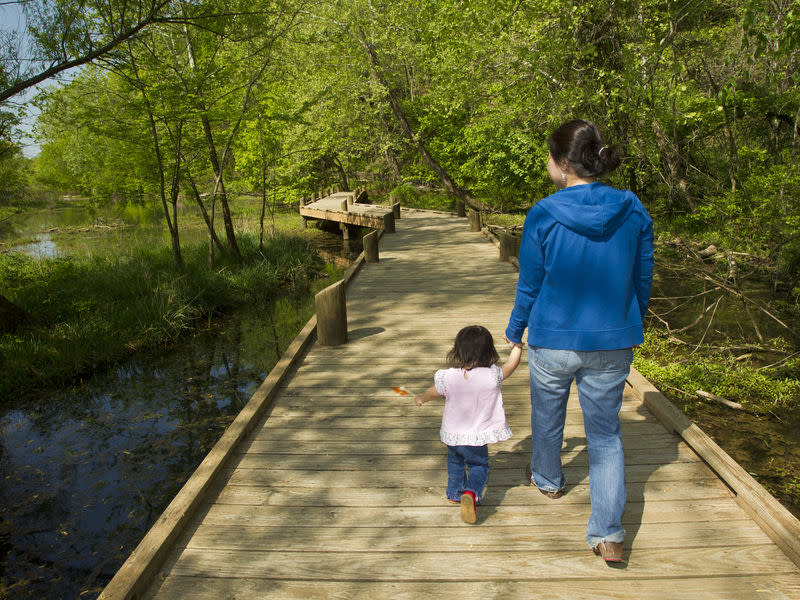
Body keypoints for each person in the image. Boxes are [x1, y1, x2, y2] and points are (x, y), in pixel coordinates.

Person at [504, 119, 654, 563]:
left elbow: (528, 283)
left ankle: (549, 480)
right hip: (612, 342)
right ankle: (609, 534)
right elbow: (642, 276)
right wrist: (630, 321)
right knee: (605, 435)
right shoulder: (632, 208)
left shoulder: (544, 214)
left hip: (552, 339)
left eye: (549, 158)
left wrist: (515, 333)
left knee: (547, 416)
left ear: (563, 164)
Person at [415, 325, 522, 524]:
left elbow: (433, 392)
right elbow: (512, 365)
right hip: (476, 437)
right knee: (478, 465)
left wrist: (422, 397)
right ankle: (471, 493)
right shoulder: (492, 375)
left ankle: (455, 493)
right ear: (489, 352)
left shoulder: (448, 377)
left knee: (455, 462)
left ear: (457, 351)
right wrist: (517, 347)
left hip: (454, 436)